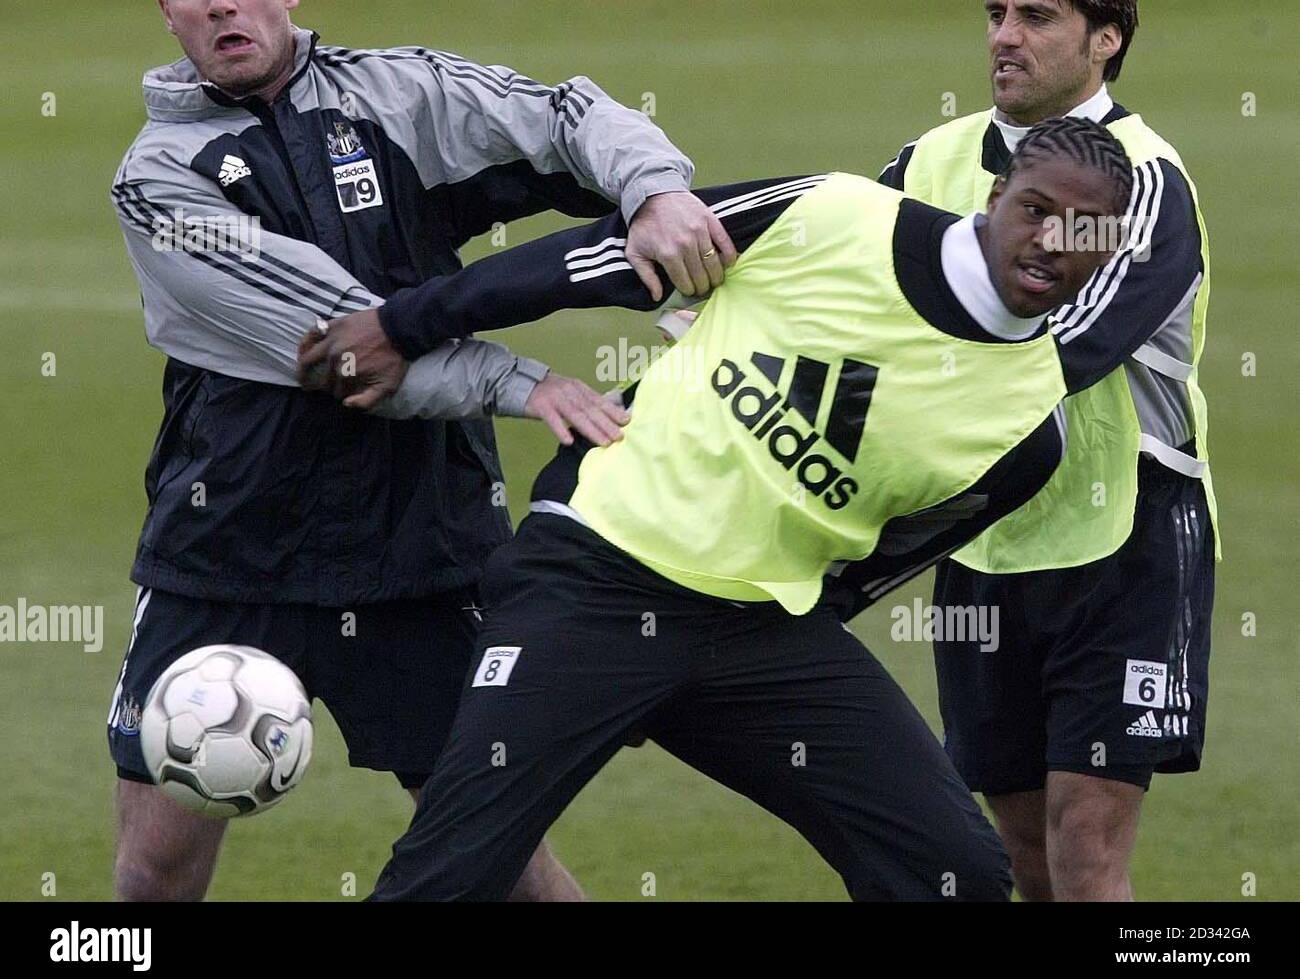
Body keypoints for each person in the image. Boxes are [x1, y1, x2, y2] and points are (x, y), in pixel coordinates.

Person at [302, 117, 1135, 901]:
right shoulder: (836, 213)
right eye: (1035, 209)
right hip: (595, 572)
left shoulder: (1031, 432)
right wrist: (401, 325)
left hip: (757, 632)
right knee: (453, 871)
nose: (1050, 242)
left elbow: (877, 565)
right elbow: (599, 259)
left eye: (1084, 228)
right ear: (993, 199)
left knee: (954, 871)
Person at [106, 0, 734, 902]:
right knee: (150, 877)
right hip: (228, 551)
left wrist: (654, 189)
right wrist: (519, 382)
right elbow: (341, 345)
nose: (220, 2)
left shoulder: (396, 95)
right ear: (167, 16)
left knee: (505, 861)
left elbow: (564, 115)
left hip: (417, 549)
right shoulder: (158, 179)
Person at [874, 0, 1218, 901]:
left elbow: (1063, 351)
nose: (1004, 38)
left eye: (1036, 17)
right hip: (979, 539)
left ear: (1105, 40)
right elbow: (842, 289)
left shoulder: (1142, 183)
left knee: (1084, 846)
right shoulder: (928, 163)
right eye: (995, 13)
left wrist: (900, 391)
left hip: (1124, 537)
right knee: (1020, 849)